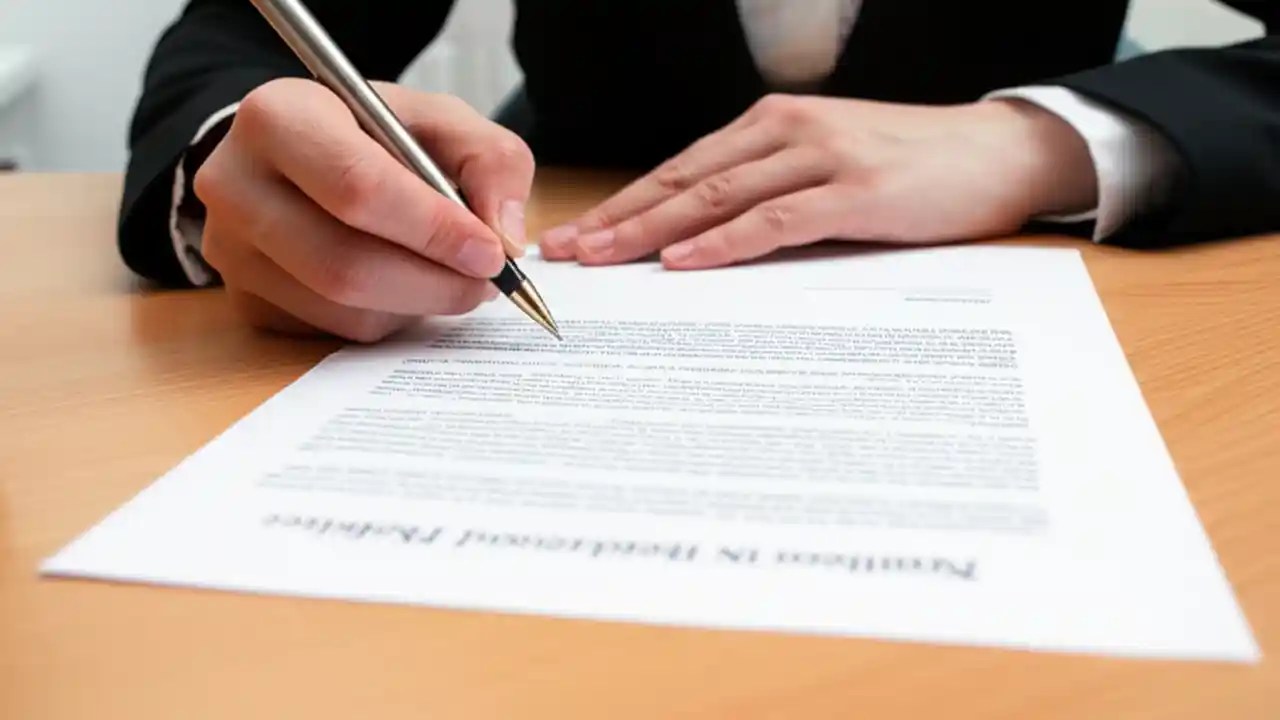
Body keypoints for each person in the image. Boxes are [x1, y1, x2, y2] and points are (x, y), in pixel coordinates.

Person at [119, 1, 1278, 342]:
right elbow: (235, 39)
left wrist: (1039, 138)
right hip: (580, 201)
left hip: (1039, 249)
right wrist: (235, 150)